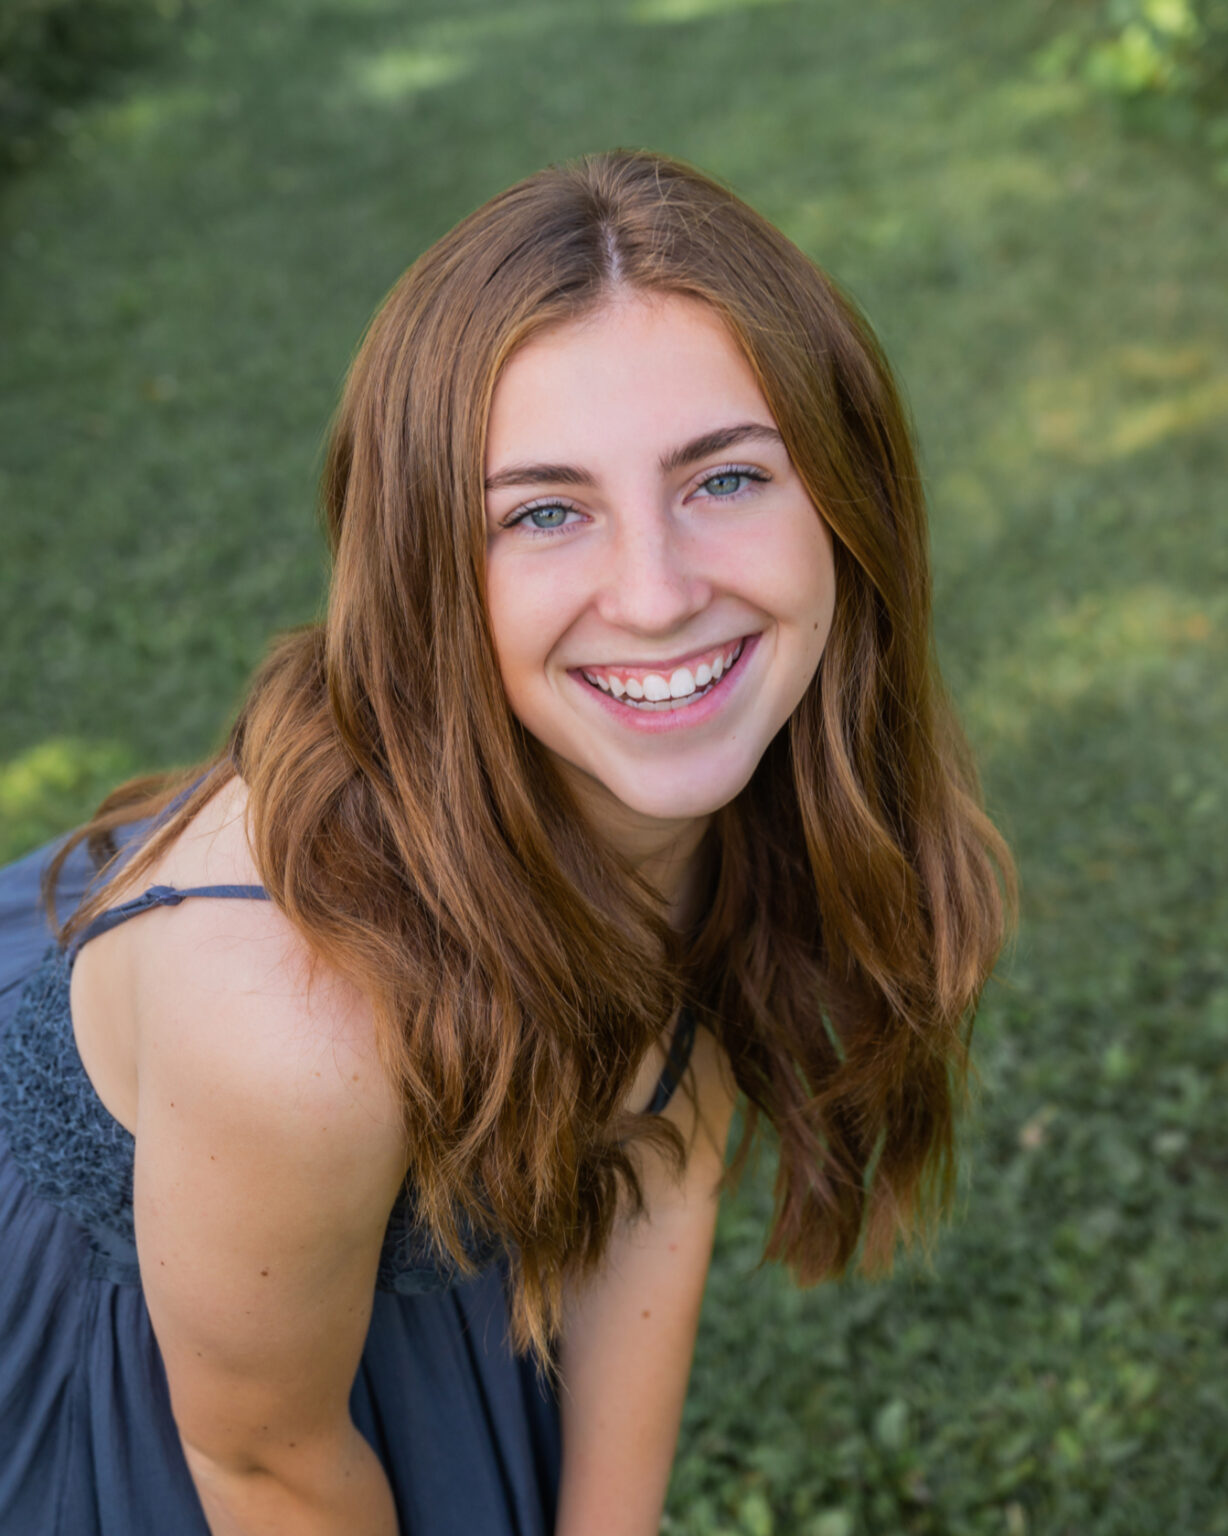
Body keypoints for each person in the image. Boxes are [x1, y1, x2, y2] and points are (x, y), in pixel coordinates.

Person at [0, 148, 1015, 1536]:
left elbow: (659, 1127)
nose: (657, 597)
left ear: (846, 501)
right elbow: (264, 1461)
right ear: (426, 574)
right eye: (543, 512)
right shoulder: (295, 1023)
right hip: (164, 1386)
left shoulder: (693, 781)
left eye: (725, 479)